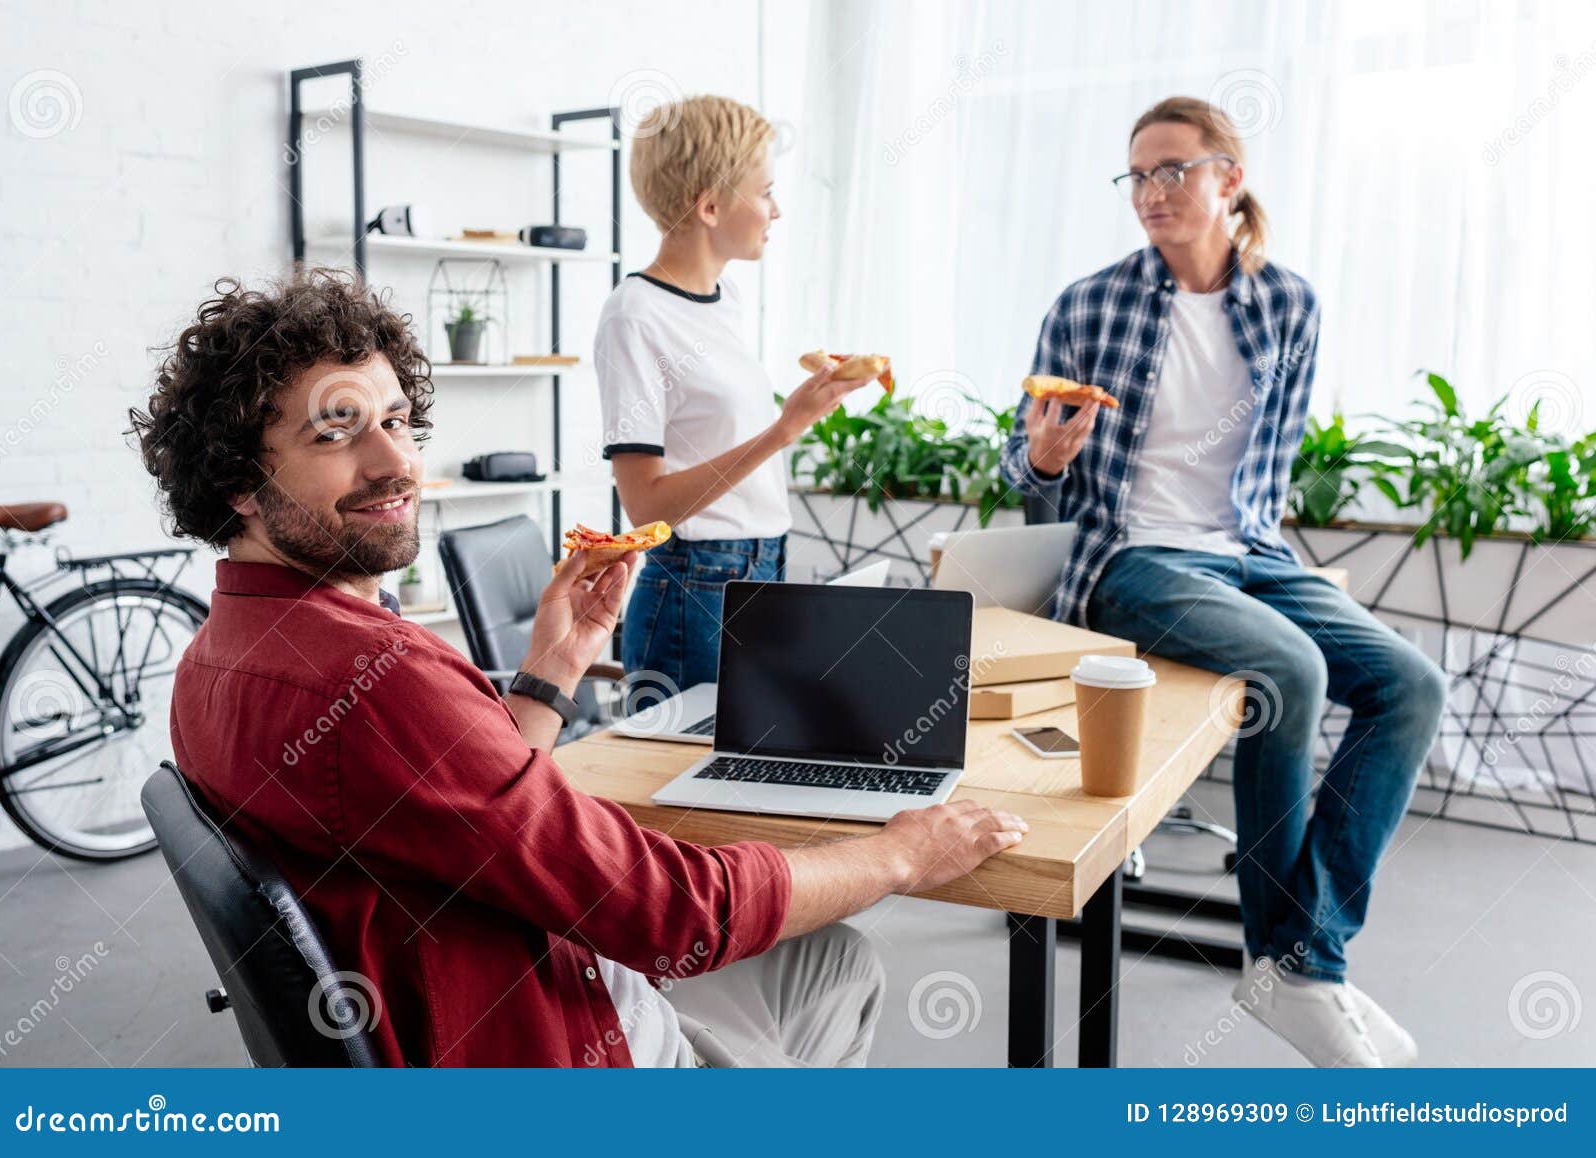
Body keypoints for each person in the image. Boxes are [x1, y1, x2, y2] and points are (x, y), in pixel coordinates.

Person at [130, 269, 1025, 1067]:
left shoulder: (214, 660)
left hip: (476, 997)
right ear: (238, 483)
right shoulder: (373, 676)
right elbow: (677, 915)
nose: (396, 461)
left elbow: (458, 817)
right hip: (543, 1041)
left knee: (822, 953)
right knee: (842, 963)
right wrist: (904, 855)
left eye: (397, 421)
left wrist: (552, 670)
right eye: (336, 434)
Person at [1000, 97, 1446, 1068]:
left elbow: (1266, 475)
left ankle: (1300, 960)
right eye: (1137, 177)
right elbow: (1025, 473)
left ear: (1226, 180)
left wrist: (1266, 561)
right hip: (1130, 560)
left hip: (1247, 551)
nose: (1151, 193)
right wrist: (1039, 458)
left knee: (1412, 686)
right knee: (1289, 669)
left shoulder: (1289, 306)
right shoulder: (1085, 305)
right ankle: (1294, 964)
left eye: (1172, 171)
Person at [594, 94, 883, 692]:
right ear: (710, 205)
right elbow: (645, 509)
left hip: (765, 570)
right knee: (675, 784)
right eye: (766, 190)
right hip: (696, 591)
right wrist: (784, 430)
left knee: (759, 772)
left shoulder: (727, 301)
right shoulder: (635, 316)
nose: (775, 210)